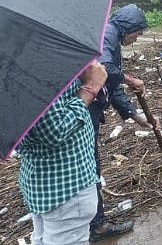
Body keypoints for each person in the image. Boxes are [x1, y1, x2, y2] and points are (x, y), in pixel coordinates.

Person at [88, 5, 157, 242]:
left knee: (90, 164)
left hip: (93, 109)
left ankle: (93, 220)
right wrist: (130, 78)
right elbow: (106, 70)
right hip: (86, 110)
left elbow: (112, 87)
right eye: (137, 34)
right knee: (90, 164)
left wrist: (138, 118)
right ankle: (96, 226)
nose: (137, 38)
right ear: (128, 28)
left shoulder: (112, 38)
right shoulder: (108, 33)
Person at [17, 62, 107, 245]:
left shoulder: (14, 67)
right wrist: (91, 88)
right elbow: (54, 130)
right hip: (67, 187)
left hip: (44, 182)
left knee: (43, 239)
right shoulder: (37, 69)